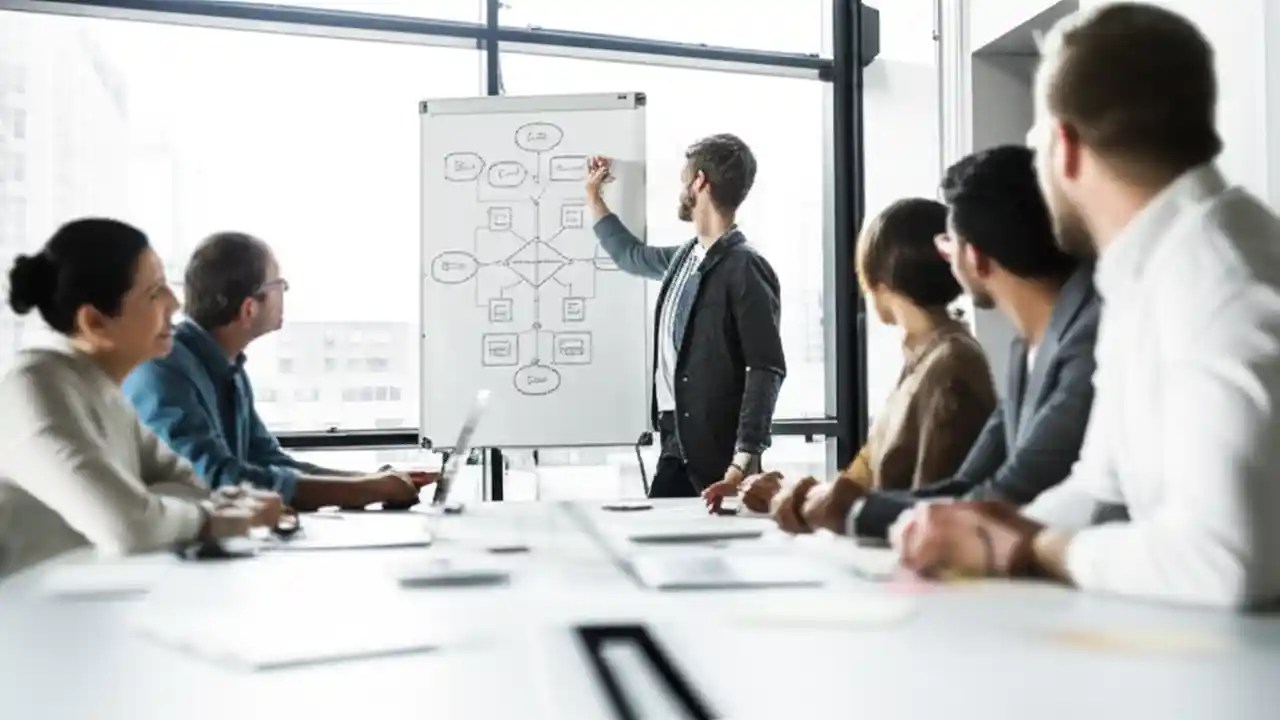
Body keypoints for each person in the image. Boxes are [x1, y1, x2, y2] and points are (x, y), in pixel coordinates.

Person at [893, 3, 1280, 609]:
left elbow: (1223, 561)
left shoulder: (1221, 278)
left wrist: (1030, 548)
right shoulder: (1144, 274)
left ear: (1065, 148)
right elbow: (1097, 485)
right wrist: (976, 530)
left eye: (1037, 142)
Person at [746, 146, 1100, 539]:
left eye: (950, 242)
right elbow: (966, 487)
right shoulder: (1025, 350)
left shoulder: (1088, 343)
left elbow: (1007, 496)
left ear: (976, 259)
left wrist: (849, 512)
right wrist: (830, 502)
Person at [0, 219, 278, 579]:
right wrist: (215, 518)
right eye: (154, 291)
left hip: (81, 604)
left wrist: (153, 506)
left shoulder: (104, 389)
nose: (174, 303)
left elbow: (196, 487)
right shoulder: (33, 387)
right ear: (95, 322)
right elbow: (131, 528)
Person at [707, 196, 998, 516]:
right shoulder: (929, 357)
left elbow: (920, 511)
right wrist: (788, 490)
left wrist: (792, 496)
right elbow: (866, 482)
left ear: (876, 279)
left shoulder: (948, 365)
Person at [124, 232, 434, 511]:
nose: (285, 293)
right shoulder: (163, 367)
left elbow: (270, 462)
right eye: (279, 285)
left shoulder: (228, 366)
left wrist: (373, 481)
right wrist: (366, 490)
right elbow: (213, 479)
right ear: (249, 308)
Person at [585, 134, 785, 497]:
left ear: (700, 182)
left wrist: (742, 464)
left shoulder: (745, 268)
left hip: (717, 458)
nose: (681, 189)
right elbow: (630, 256)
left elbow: (766, 368)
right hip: (675, 442)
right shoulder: (685, 258)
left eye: (683, 179)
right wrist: (594, 199)